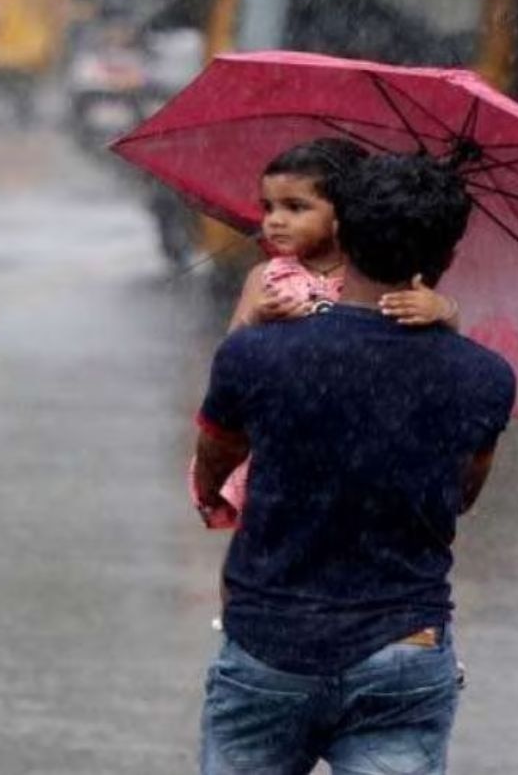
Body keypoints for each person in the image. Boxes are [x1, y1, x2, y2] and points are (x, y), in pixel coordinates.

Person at [192, 151, 516, 774]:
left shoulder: (256, 354)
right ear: (446, 257)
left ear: (341, 229)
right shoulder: (485, 376)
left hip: (269, 640)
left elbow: (215, 465)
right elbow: (461, 495)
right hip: (404, 645)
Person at [188, 138, 460, 528]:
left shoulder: (373, 275)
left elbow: (436, 341)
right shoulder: (266, 277)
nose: (274, 221)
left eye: (295, 207)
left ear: (345, 214)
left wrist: (443, 309)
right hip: (284, 425)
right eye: (267, 208)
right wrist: (256, 322)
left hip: (353, 425)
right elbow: (231, 358)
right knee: (262, 530)